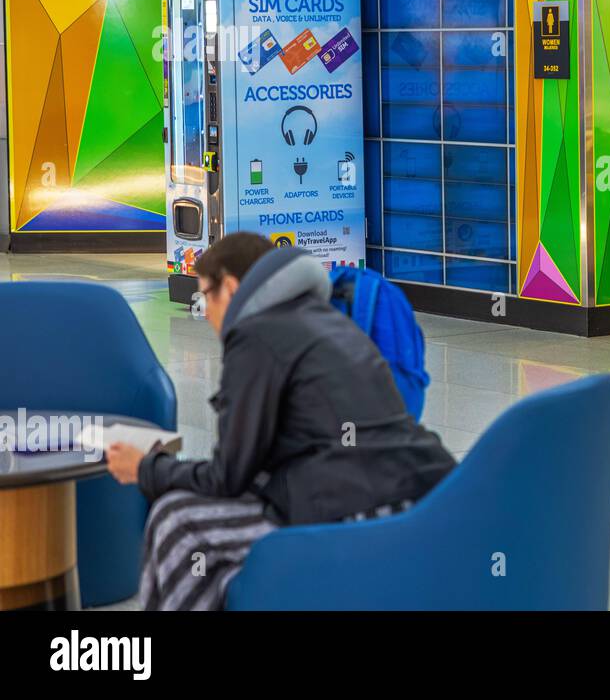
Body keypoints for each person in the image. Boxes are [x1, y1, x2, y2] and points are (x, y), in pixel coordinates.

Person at [106, 232, 456, 610]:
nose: (203, 310)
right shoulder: (324, 318)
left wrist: (146, 468)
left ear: (232, 286)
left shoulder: (254, 336)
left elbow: (227, 477)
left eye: (205, 294)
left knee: (176, 521)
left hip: (358, 507)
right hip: (419, 491)